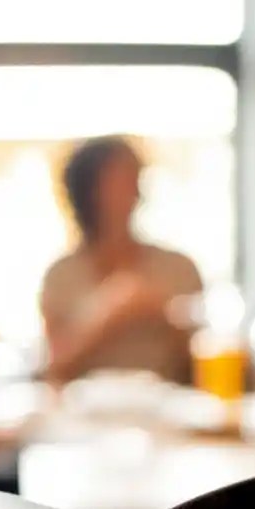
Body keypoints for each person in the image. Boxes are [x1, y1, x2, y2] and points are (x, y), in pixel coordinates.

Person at [40, 136, 204, 384]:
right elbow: (54, 370)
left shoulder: (178, 269)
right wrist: (110, 312)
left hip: (165, 414)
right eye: (116, 180)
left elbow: (205, 361)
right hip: (86, 417)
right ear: (87, 189)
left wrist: (161, 312)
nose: (130, 189)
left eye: (134, 177)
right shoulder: (60, 276)